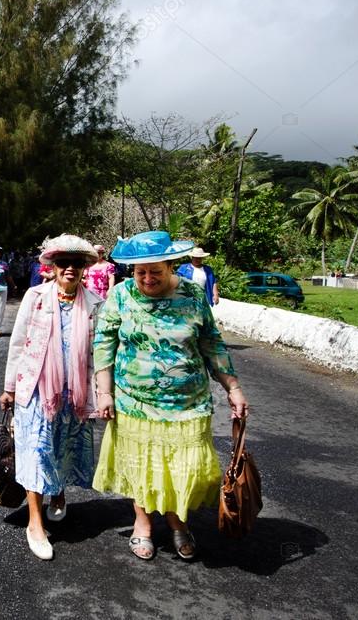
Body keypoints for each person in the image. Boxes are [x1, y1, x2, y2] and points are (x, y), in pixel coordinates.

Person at [92, 231, 249, 561]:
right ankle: (142, 524)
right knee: (142, 465)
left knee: (182, 466)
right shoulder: (120, 296)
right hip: (135, 402)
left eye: (156, 272)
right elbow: (104, 344)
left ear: (171, 266)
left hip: (187, 403)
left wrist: (233, 388)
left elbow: (212, 344)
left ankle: (178, 522)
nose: (147, 279)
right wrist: (104, 392)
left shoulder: (192, 295)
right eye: (140, 272)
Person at [0, 234, 104, 561]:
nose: (70, 268)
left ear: (85, 267)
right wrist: (9, 388)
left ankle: (58, 492)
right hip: (36, 390)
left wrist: (103, 393)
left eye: (77, 263)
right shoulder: (36, 297)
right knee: (37, 451)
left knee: (64, 448)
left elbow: (99, 353)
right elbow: (18, 344)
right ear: (53, 267)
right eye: (63, 263)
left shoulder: (96, 303)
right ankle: (35, 522)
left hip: (75, 393)